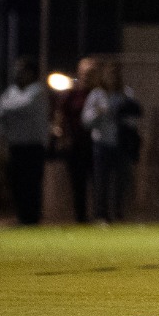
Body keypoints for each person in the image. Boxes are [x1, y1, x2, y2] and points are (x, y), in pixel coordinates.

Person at [0, 56, 51, 226]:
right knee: (17, 182)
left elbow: (22, 106)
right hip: (16, 145)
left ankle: (32, 218)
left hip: (33, 146)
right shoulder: (12, 90)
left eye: (21, 70)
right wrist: (10, 106)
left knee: (31, 183)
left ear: (31, 73)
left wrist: (9, 106)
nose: (17, 74)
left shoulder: (37, 91)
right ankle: (22, 217)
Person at [82, 61, 137, 222]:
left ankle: (119, 214)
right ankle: (101, 216)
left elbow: (134, 120)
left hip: (121, 144)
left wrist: (120, 116)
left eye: (115, 74)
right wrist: (100, 113)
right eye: (109, 74)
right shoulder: (97, 95)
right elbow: (86, 121)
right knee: (101, 182)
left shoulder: (126, 94)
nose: (112, 77)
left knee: (121, 182)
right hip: (102, 145)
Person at [59, 57, 96, 222]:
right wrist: (62, 135)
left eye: (92, 73)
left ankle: (99, 216)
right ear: (80, 73)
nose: (88, 76)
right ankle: (80, 218)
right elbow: (61, 116)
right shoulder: (72, 93)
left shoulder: (99, 93)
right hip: (76, 144)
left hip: (96, 144)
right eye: (86, 73)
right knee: (78, 184)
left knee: (97, 183)